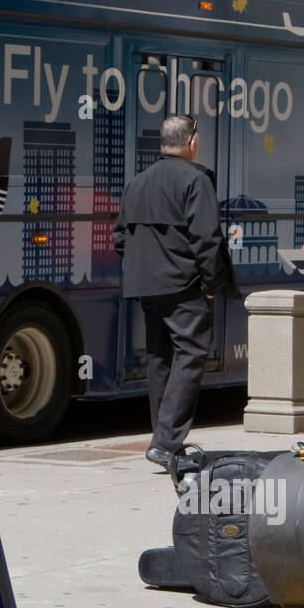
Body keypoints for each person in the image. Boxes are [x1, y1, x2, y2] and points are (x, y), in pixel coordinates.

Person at [113, 115, 235, 469]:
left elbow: (120, 237)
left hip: (145, 287)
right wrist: (212, 285)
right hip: (183, 285)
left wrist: (146, 265)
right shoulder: (196, 181)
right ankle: (166, 442)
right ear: (192, 142)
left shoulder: (137, 182)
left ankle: (162, 439)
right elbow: (207, 240)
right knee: (191, 353)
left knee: (160, 358)